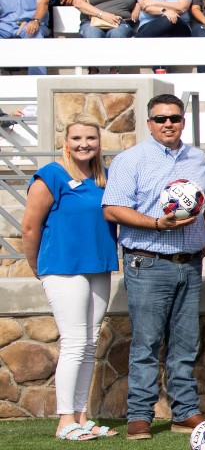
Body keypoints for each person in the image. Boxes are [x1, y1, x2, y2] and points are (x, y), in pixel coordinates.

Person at [102, 94, 205, 440]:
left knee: (186, 342)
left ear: (183, 121)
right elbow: (112, 209)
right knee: (147, 343)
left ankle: (185, 411)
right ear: (149, 124)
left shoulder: (197, 158)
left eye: (174, 118)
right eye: (160, 118)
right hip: (148, 262)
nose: (168, 124)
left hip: (189, 263)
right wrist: (156, 224)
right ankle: (140, 415)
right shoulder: (130, 160)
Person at [20, 115, 118, 441]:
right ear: (66, 142)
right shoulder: (51, 175)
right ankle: (65, 422)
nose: (83, 144)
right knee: (75, 343)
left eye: (90, 138)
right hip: (63, 268)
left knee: (89, 344)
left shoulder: (104, 177)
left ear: (99, 143)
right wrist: (38, 267)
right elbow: (29, 228)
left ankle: (81, 417)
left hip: (98, 267)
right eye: (77, 138)